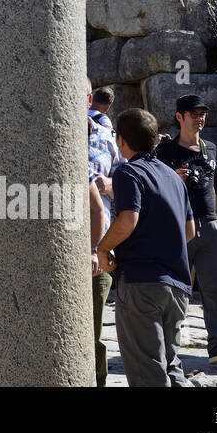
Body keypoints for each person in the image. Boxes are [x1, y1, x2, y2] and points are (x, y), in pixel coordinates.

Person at [97, 108, 196, 388]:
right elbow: (189, 231)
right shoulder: (174, 179)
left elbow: (128, 219)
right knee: (171, 366)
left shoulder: (128, 172)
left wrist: (104, 249)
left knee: (147, 372)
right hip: (178, 286)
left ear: (121, 141)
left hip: (142, 283)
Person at [154, 94, 217, 366]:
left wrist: (215, 220)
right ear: (179, 117)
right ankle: (165, 345)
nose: (200, 117)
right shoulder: (164, 151)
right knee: (174, 288)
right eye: (193, 113)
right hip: (178, 224)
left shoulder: (211, 148)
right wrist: (173, 179)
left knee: (214, 288)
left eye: (203, 113)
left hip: (209, 224)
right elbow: (154, 187)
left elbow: (210, 187)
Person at [86, 78, 121, 386]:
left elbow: (125, 174)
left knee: (92, 331)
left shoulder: (106, 135)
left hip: (98, 246)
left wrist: (111, 185)